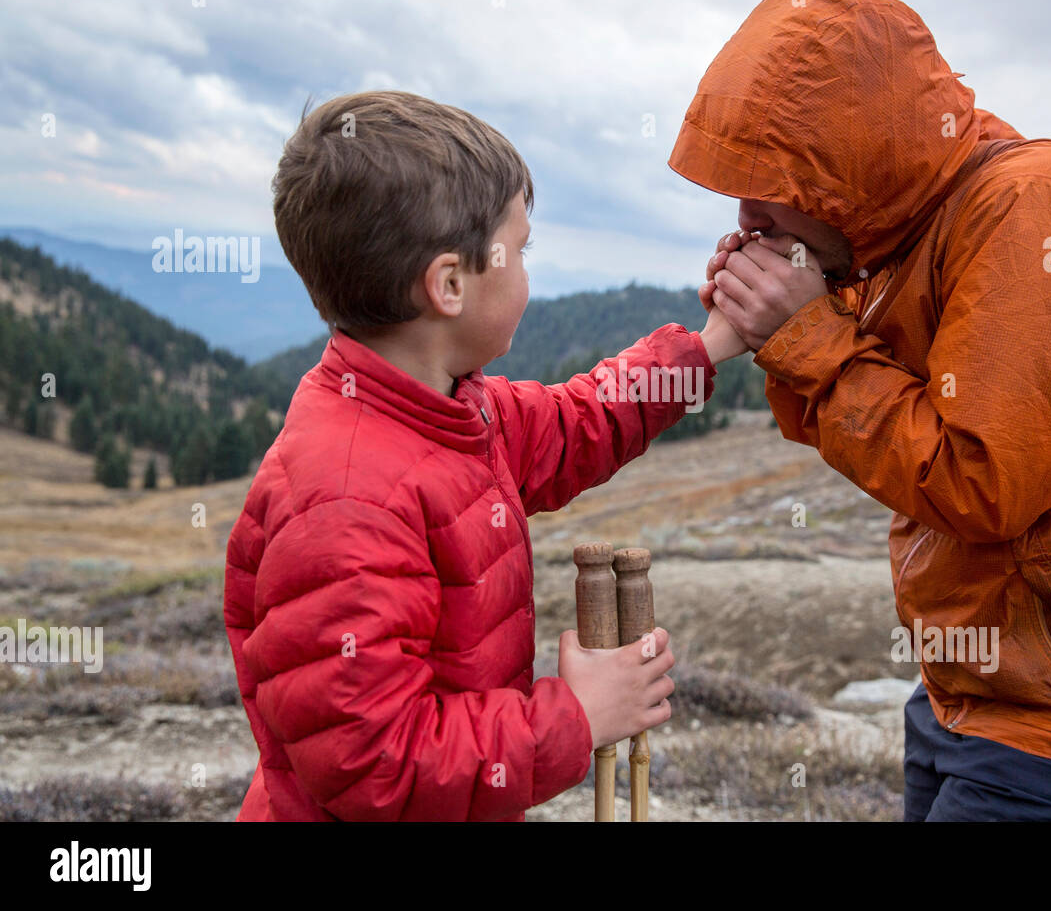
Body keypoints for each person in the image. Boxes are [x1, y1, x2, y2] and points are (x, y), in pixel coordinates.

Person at [675, 0, 1051, 820]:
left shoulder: (1036, 212)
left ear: (849, 162)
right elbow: (860, 430)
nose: (746, 214)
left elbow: (980, 481)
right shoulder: (899, 226)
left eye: (771, 183)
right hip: (982, 682)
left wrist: (809, 338)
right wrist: (795, 327)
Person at [223, 90, 749, 821]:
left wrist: (715, 341)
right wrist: (576, 716)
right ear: (447, 284)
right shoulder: (347, 502)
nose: (528, 272)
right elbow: (374, 765)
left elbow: (579, 420)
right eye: (520, 250)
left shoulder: (452, 408)